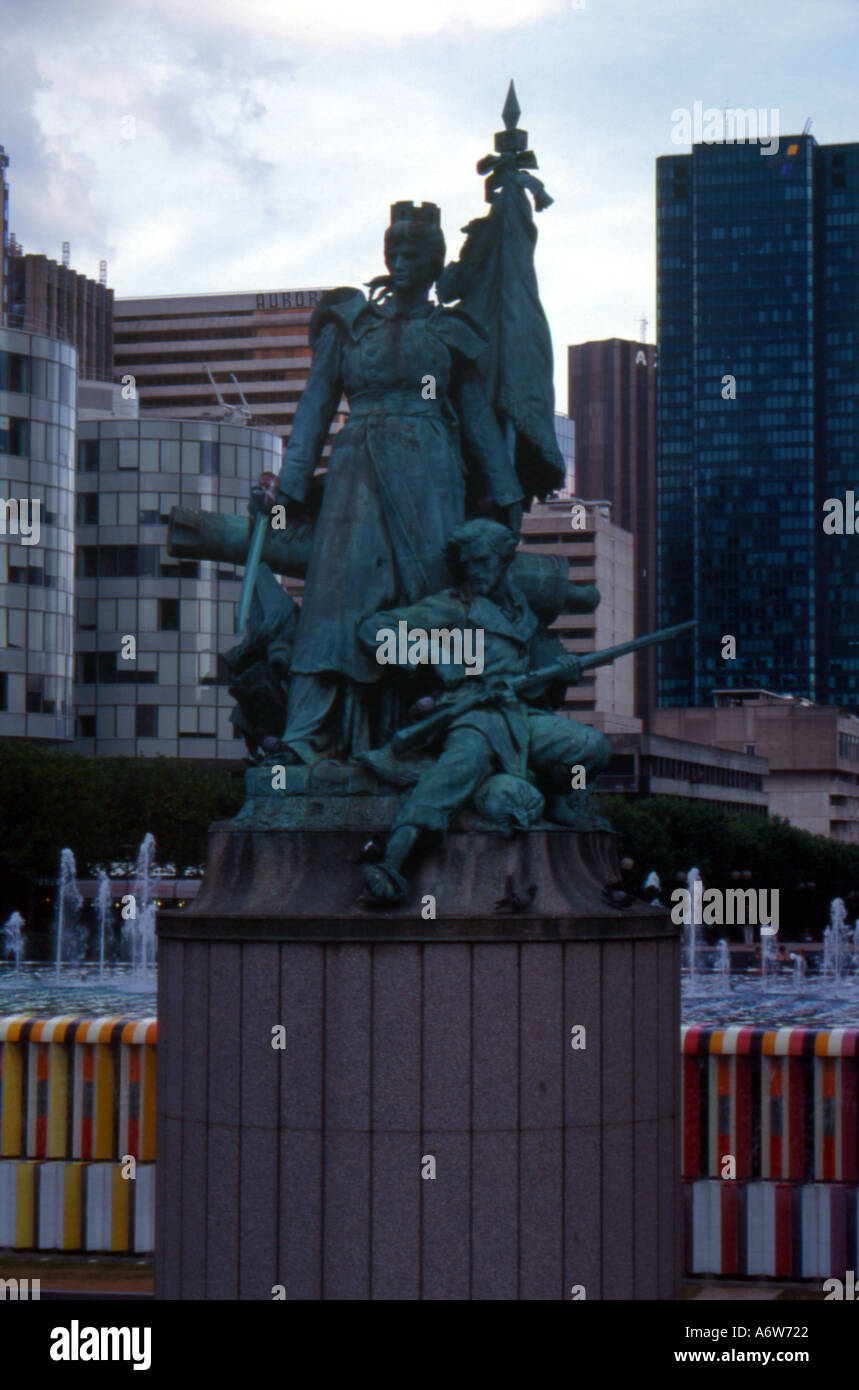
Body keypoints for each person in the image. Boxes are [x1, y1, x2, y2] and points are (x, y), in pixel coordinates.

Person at [259, 201, 523, 763]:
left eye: (413, 254)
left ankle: (427, 732)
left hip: (433, 476)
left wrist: (507, 496)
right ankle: (308, 738)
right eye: (393, 252)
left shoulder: (452, 331)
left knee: (429, 597)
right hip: (358, 469)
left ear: (434, 265)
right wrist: (289, 487)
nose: (400, 262)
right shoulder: (349, 323)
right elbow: (314, 407)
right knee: (336, 598)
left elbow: (476, 419)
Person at [356, 519, 611, 904]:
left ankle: (556, 793)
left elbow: (531, 678)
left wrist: (564, 673)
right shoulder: (453, 607)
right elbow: (374, 629)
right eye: (468, 564)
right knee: (458, 769)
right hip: (470, 713)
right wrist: (436, 657)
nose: (475, 571)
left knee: (592, 747)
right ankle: (393, 860)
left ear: (505, 560)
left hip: (518, 715)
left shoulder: (523, 611)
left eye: (482, 561)